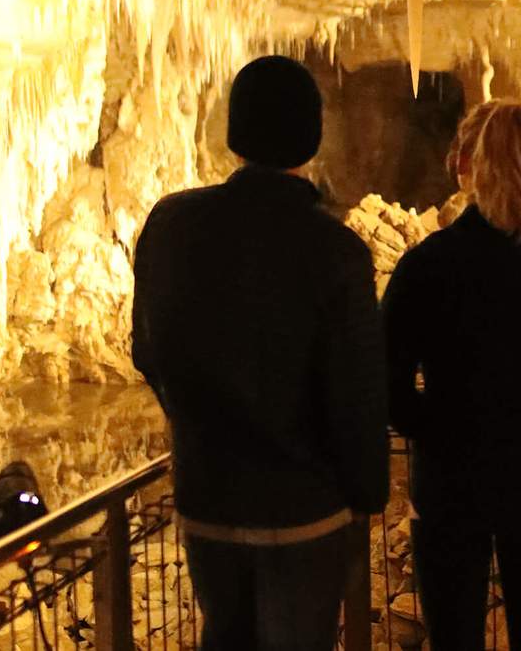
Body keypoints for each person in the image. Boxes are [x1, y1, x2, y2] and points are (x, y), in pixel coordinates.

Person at [132, 55, 389, 651]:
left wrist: (199, 427)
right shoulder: (336, 251)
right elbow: (356, 393)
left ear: (235, 132)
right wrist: (367, 493)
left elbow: (149, 351)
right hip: (305, 513)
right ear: (312, 136)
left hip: (208, 503)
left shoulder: (172, 226)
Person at [382, 102, 521, 651]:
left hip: (449, 484)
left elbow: (386, 383)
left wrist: (432, 426)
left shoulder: (426, 265)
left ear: (466, 166)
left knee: (454, 637)